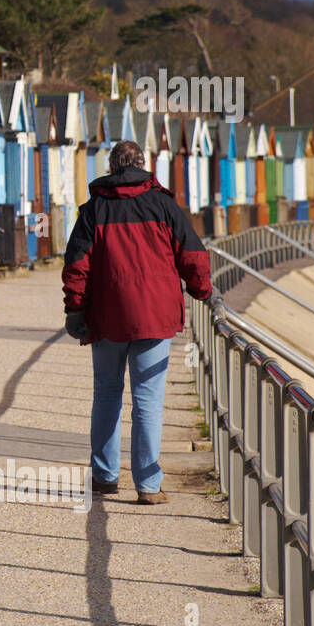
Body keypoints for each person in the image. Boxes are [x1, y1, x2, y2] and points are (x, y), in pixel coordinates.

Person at [62, 140, 211, 505]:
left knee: (107, 393)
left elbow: (76, 267)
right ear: (143, 166)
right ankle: (147, 485)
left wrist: (75, 310)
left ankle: (105, 476)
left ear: (112, 168)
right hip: (155, 318)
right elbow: (194, 255)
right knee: (147, 399)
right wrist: (201, 291)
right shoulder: (163, 205)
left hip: (108, 316)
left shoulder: (94, 209)